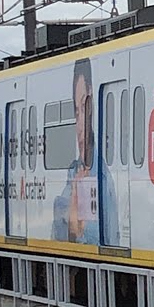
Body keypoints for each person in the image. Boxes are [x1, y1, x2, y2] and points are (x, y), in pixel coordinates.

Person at [52, 59, 100, 244]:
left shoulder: (103, 176)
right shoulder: (74, 170)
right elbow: (63, 228)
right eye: (76, 112)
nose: (80, 125)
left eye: (84, 108)